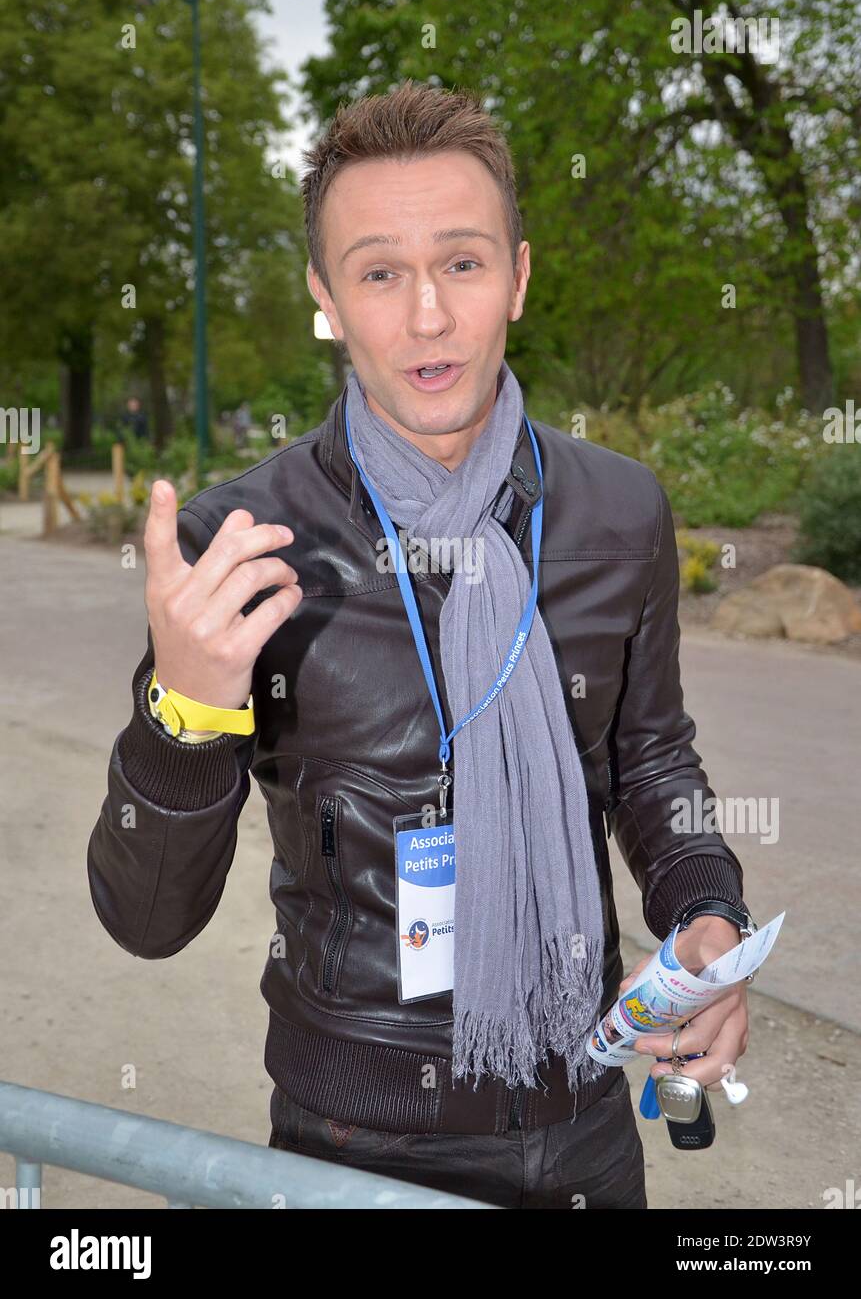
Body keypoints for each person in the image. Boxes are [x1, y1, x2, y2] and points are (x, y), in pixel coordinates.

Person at [87, 80, 753, 1210]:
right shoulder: (241, 542)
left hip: (584, 1113)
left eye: (462, 262)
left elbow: (651, 762)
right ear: (327, 300)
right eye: (380, 272)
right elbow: (145, 921)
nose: (429, 317)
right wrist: (189, 713)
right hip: (352, 1144)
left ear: (520, 277)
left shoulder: (618, 509)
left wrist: (709, 919)